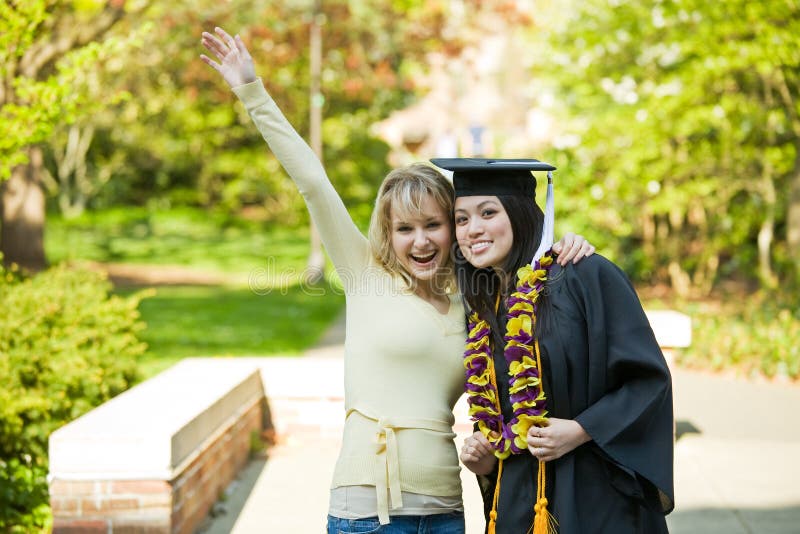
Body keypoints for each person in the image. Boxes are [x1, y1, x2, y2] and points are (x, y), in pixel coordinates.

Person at [200, 28, 595, 533]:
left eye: (434, 224)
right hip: (367, 512)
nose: (421, 241)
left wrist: (571, 246)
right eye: (405, 229)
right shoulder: (366, 277)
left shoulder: (475, 300)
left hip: (446, 512)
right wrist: (251, 91)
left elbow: (522, 337)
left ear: (453, 229)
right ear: (388, 233)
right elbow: (313, 183)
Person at [434, 157, 674, 534]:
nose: (472, 229)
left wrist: (580, 429)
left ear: (520, 213)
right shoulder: (482, 306)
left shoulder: (585, 275)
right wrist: (486, 457)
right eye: (461, 219)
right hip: (516, 504)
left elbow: (647, 382)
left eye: (487, 212)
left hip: (595, 499)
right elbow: (502, 417)